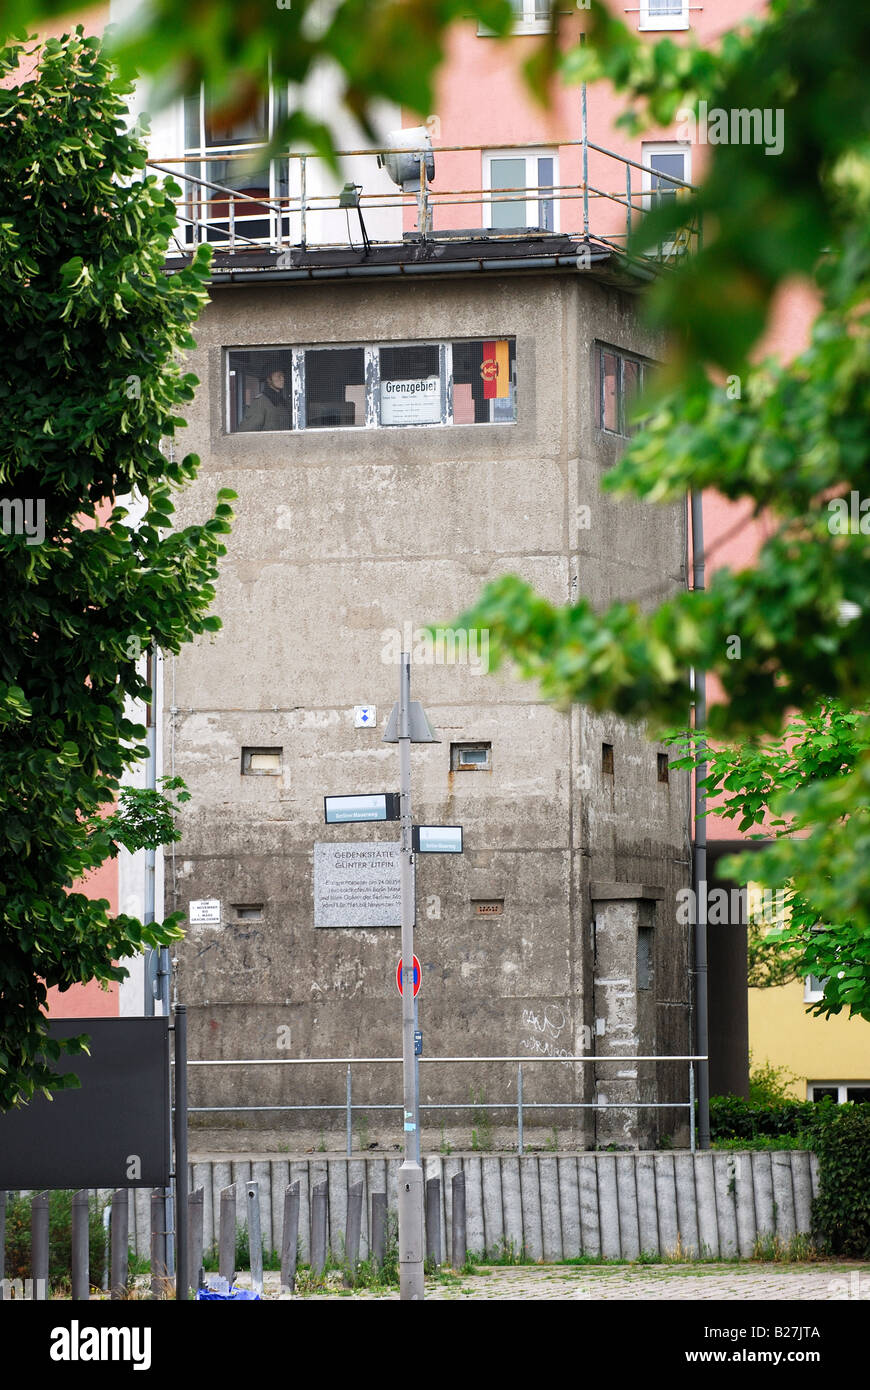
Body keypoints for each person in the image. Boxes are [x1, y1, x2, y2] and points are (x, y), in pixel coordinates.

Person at [237, 367, 291, 431]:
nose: (282, 379)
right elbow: (247, 430)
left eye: (283, 376)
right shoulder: (260, 402)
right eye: (279, 376)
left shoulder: (283, 402)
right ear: (269, 380)